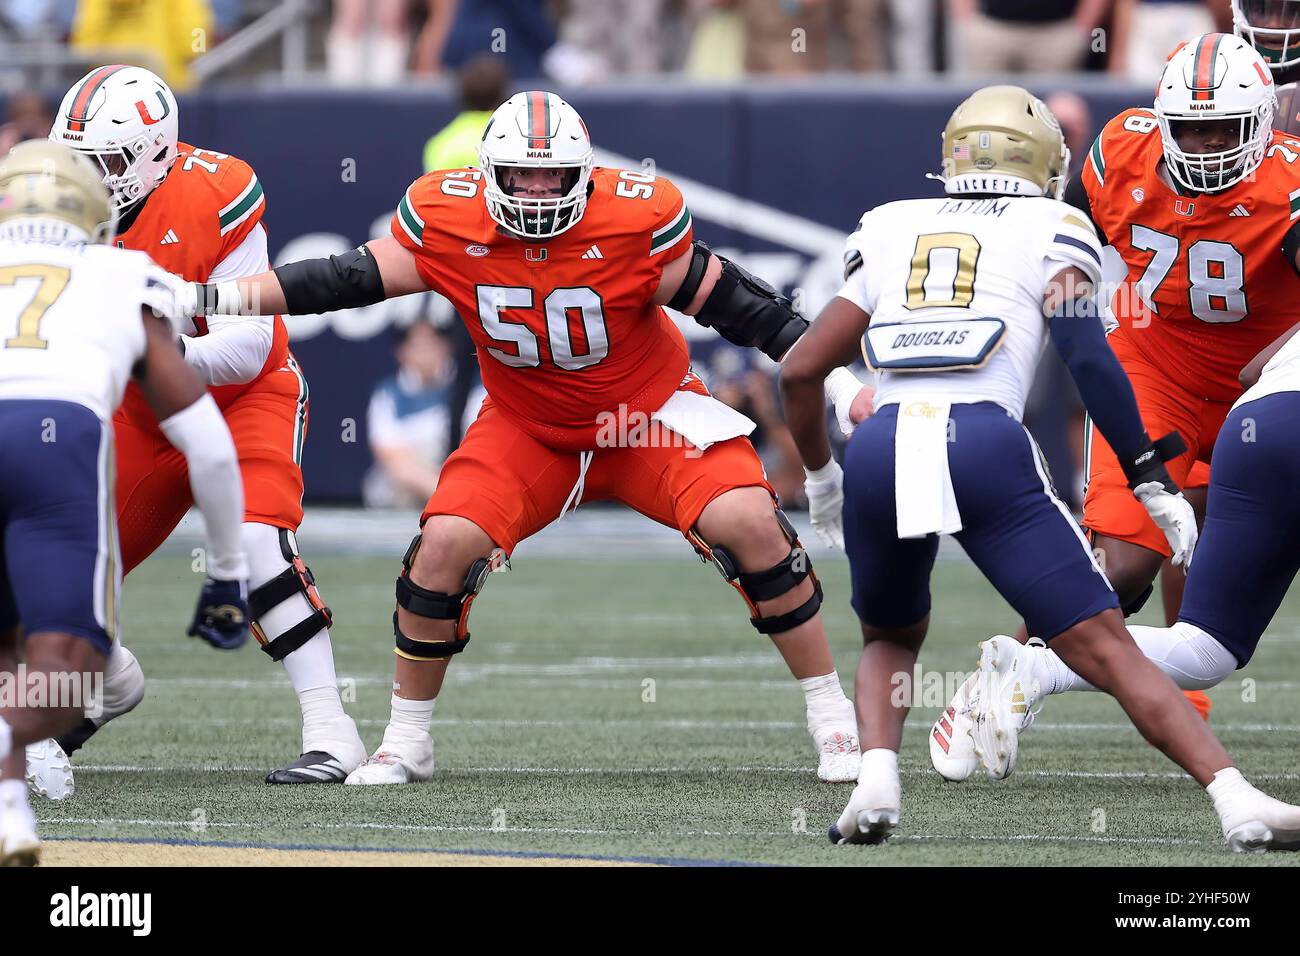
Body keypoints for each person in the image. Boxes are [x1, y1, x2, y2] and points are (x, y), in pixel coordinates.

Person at [159, 90, 872, 786]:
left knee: (752, 524)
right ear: (489, 174)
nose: (535, 190)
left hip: (648, 418)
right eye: (519, 175)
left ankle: (830, 712)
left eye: (551, 175)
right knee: (440, 550)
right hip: (530, 428)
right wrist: (205, 297)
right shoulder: (449, 218)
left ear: (583, 175)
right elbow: (342, 279)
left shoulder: (634, 219)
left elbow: (744, 308)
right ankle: (407, 738)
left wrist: (836, 383)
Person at [781, 84, 1300, 852]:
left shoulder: (889, 225)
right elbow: (1087, 352)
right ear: (1051, 165)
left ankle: (876, 782)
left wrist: (821, 477)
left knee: (889, 634)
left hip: (884, 445)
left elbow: (799, 371)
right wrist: (1149, 473)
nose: (1201, 146)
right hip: (991, 440)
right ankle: (1232, 798)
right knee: (1109, 623)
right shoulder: (1057, 221)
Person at [25, 65, 366, 797]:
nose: (84, 172)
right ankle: (103, 688)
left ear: (155, 153)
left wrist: (154, 352)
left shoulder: (217, 189)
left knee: (256, 546)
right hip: (136, 409)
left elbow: (246, 347)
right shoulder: (41, 205)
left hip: (246, 395)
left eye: (105, 159)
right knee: (46, 564)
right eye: (73, 153)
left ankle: (332, 730)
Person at [937, 320, 1300, 833]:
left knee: (1205, 650)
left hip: (1255, 415)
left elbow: (1253, 371)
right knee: (1120, 570)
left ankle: (1035, 668)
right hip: (1160, 373)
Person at [0, 141, 249, 864]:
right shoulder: (119, 273)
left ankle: (10, 805)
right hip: (57, 443)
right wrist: (229, 570)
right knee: (69, 674)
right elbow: (205, 443)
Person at [365, 322, 480, 509]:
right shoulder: (387, 395)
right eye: (417, 345)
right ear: (402, 352)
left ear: (446, 347)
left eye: (432, 343)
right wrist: (447, 495)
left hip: (462, 482)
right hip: (406, 497)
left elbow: (477, 446)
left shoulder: (472, 389)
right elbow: (395, 461)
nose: (425, 352)